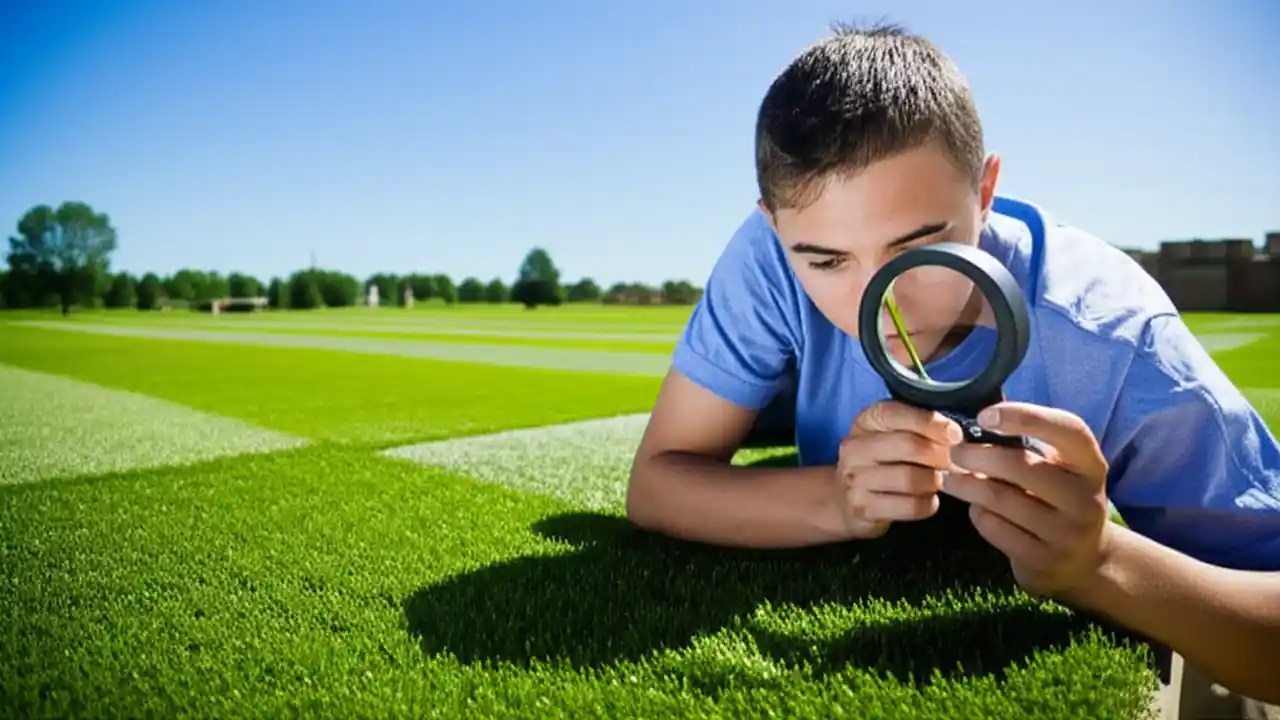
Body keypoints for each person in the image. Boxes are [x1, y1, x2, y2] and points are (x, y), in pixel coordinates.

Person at [624, 20, 1280, 702]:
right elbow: (657, 484)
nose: (883, 302)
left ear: (986, 189)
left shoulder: (1111, 331)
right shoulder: (768, 261)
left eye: (918, 246)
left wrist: (1100, 562)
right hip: (784, 379)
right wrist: (835, 499)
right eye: (825, 261)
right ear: (773, 225)